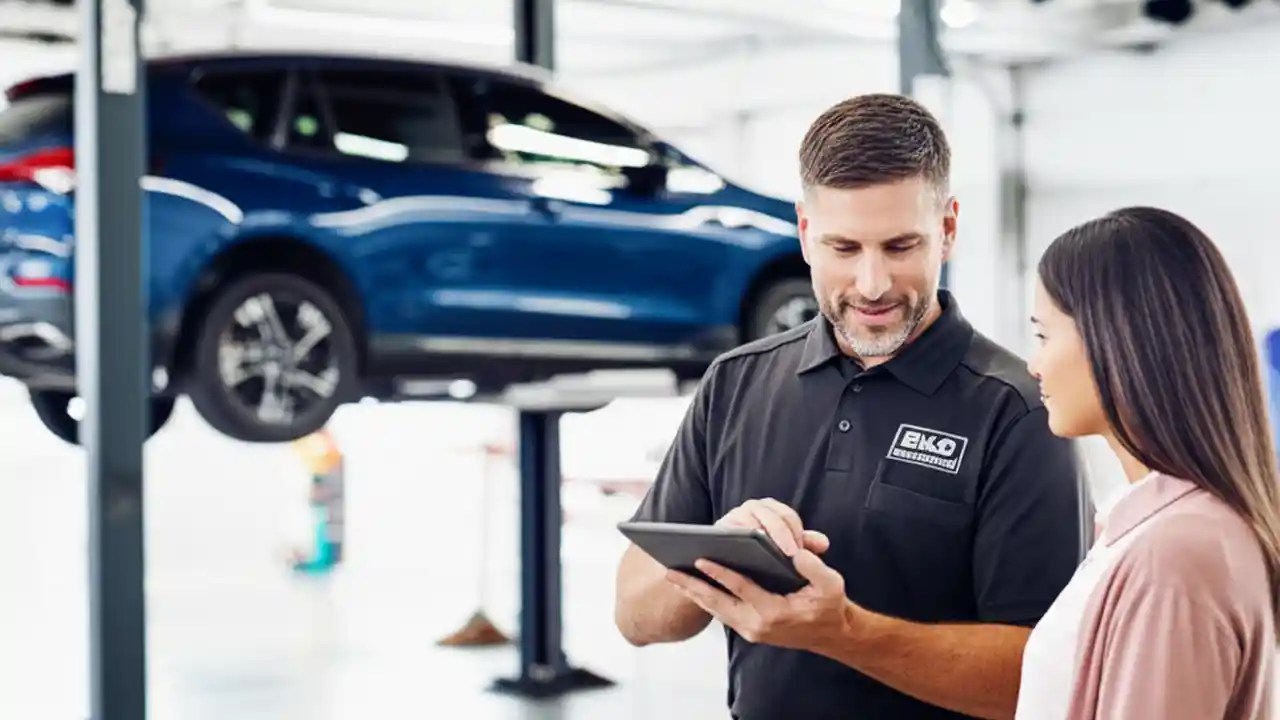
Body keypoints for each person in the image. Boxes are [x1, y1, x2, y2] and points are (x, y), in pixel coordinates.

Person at [614, 93, 1087, 720]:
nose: (871, 285)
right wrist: (717, 553)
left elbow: (1044, 681)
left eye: (899, 247)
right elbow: (635, 616)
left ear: (947, 229)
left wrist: (843, 632)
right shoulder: (734, 384)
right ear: (806, 233)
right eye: (844, 249)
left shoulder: (1019, 410)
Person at [1016, 207, 1279, 719]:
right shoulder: (1159, 530)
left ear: (1115, 340)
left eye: (1044, 336)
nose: (1034, 364)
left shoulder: (1175, 553)